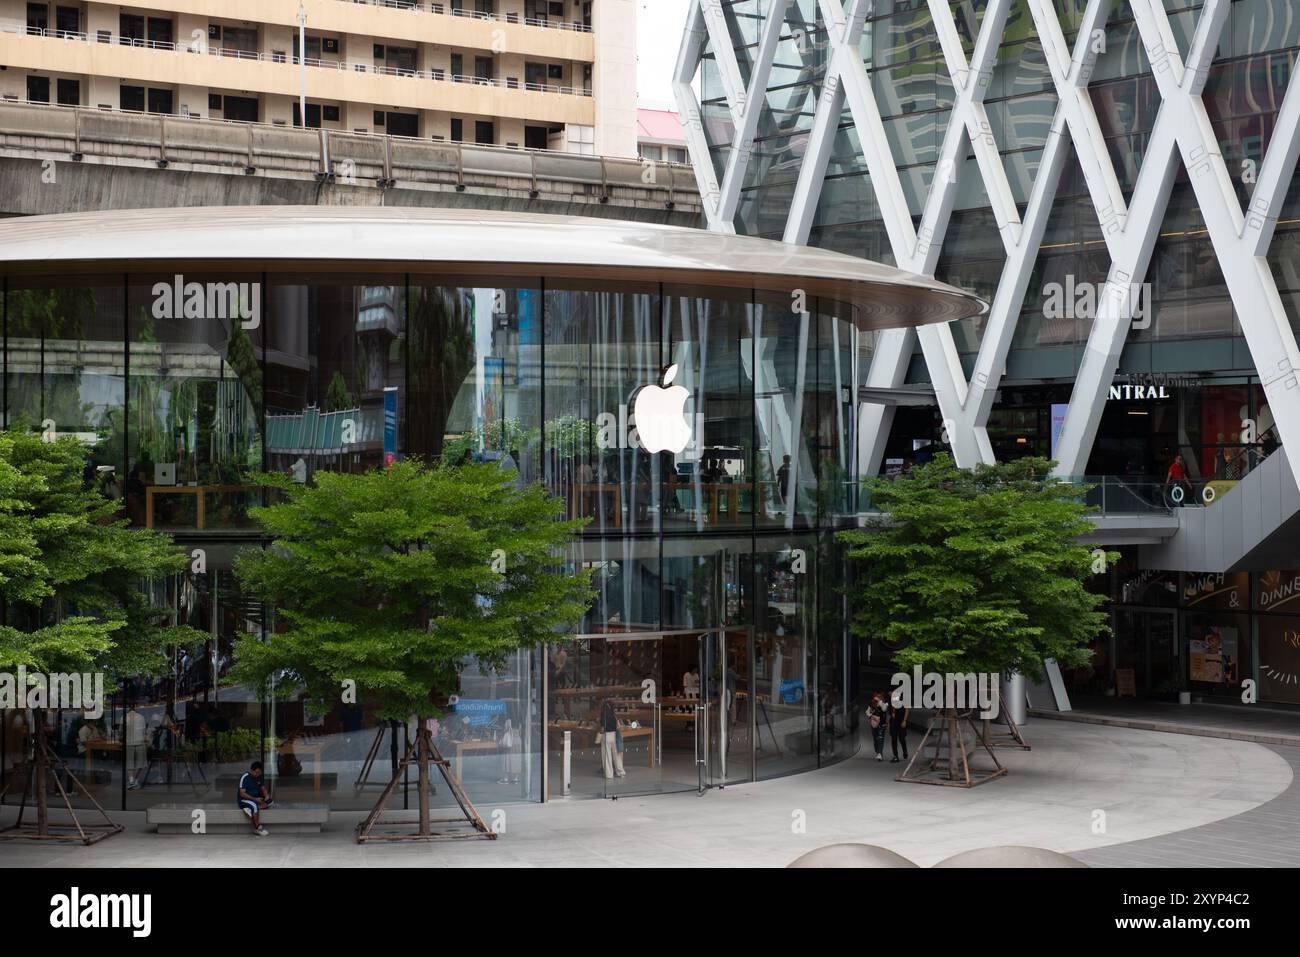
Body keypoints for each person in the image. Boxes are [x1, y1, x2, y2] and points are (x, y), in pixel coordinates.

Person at [237, 760, 273, 836]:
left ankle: (252, 809)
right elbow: (242, 794)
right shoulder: (245, 777)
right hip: (244, 800)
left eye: (259, 772)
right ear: (251, 771)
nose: (258, 774)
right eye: (256, 772)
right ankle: (257, 828)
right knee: (254, 805)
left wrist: (266, 797)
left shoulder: (259, 777)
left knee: (270, 802)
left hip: (256, 799)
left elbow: (263, 789)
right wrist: (255, 799)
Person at [596, 700, 625, 780]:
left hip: (606, 736)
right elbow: (618, 726)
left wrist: (599, 735)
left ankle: (609, 774)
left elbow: (602, 729)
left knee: (607, 756)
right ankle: (620, 771)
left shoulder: (603, 716)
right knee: (616, 755)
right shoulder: (614, 716)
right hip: (614, 736)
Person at [124, 703, 148, 790]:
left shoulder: (124, 717)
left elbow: (121, 732)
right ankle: (136, 780)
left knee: (129, 762)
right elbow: (144, 731)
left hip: (129, 742)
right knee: (140, 763)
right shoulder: (141, 717)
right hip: (140, 742)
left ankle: (131, 780)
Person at [887, 691, 909, 764]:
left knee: (902, 738)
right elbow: (889, 712)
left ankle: (905, 750)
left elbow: (906, 710)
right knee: (893, 739)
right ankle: (895, 756)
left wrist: (904, 721)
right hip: (893, 722)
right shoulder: (891, 702)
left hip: (901, 721)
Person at [867, 693, 888, 762]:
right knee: (875, 738)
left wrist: (880, 702)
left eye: (879, 698)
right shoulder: (872, 704)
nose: (876, 700)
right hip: (874, 724)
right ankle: (877, 751)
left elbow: (884, 709)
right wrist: (870, 715)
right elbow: (867, 711)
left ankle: (879, 753)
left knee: (880, 737)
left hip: (882, 724)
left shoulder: (885, 704)